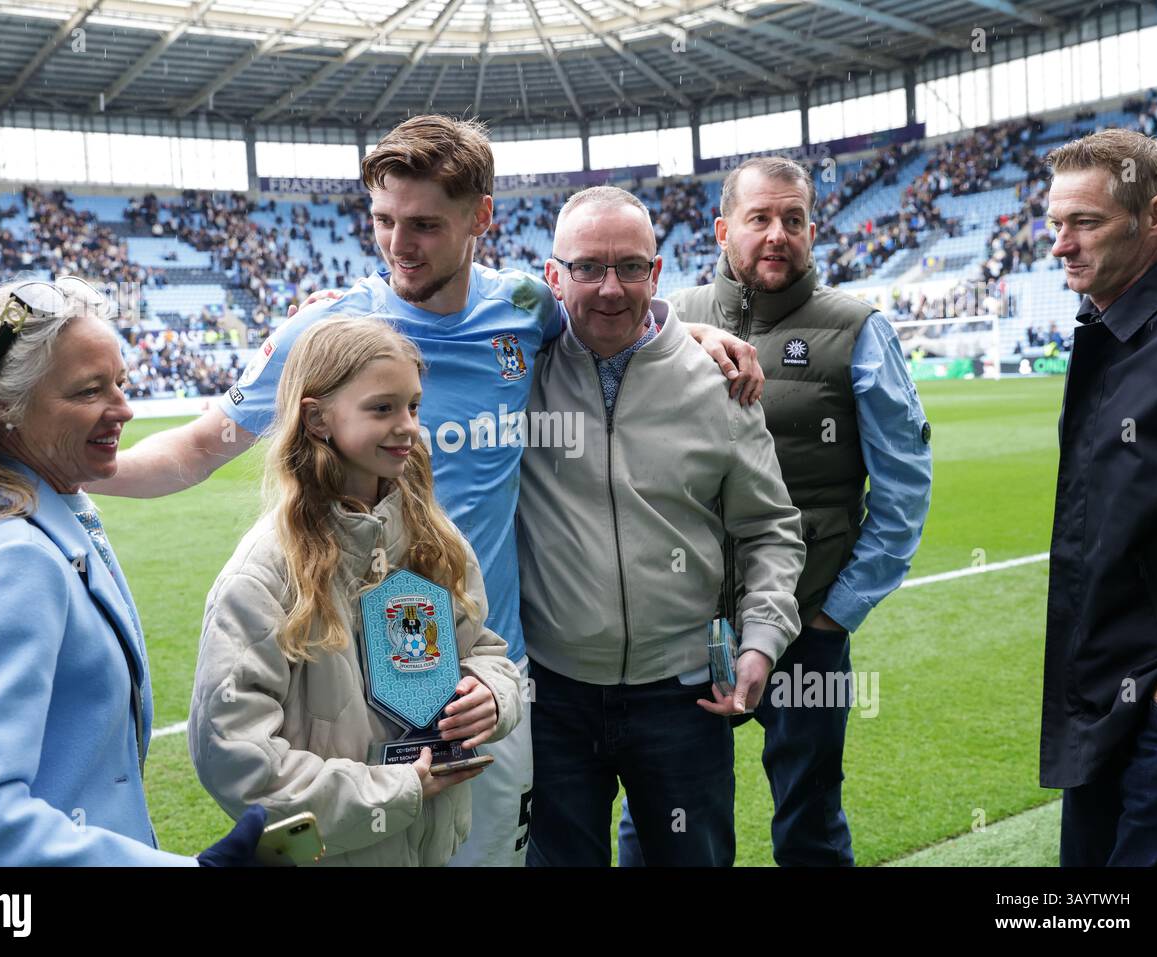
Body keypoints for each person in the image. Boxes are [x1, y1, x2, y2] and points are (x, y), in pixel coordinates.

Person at [90, 114, 762, 866]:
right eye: (383, 220)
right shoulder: (331, 329)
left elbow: (613, 322)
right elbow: (201, 445)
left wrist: (694, 333)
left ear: (480, 218)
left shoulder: (521, 311)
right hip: (354, 689)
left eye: (423, 225)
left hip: (485, 675)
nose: (397, 245)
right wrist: (74, 468)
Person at [0, 278, 264, 866]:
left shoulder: (20, 518)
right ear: (1, 403)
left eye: (120, 383)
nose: (124, 409)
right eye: (90, 391)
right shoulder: (13, 558)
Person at [618, 156, 932, 867]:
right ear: (725, 228)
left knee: (810, 820)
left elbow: (905, 486)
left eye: (793, 219)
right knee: (663, 824)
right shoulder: (666, 320)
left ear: (813, 230)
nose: (777, 234)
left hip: (807, 623)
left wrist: (834, 612)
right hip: (682, 629)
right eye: (760, 218)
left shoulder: (857, 329)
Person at [517, 186, 806, 867]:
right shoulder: (517, 371)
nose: (611, 288)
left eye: (631, 266)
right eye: (588, 267)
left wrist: (762, 640)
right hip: (552, 696)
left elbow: (769, 527)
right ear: (552, 276)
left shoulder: (718, 382)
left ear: (659, 269)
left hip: (683, 696)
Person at [188, 317, 522, 865]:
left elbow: (483, 650)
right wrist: (390, 792)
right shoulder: (266, 574)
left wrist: (491, 695)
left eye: (413, 406)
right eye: (382, 408)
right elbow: (235, 759)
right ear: (317, 418)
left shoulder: (433, 539)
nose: (407, 427)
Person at [1040, 128, 1157, 866]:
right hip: (1100, 696)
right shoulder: (1105, 322)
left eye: (1085, 223)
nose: (1061, 244)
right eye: (1055, 223)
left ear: (1156, 214)